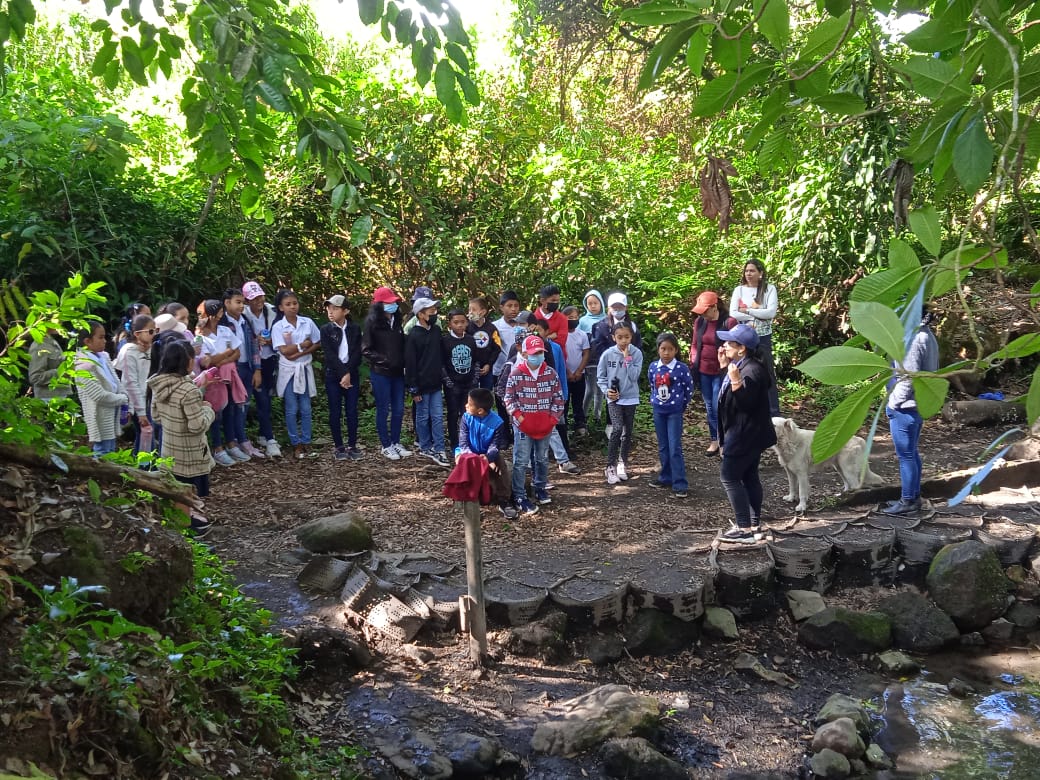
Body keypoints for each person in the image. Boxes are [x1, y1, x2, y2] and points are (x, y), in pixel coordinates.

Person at [715, 323, 777, 543]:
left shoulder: (750, 371)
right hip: (749, 434)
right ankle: (754, 525)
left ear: (741, 348)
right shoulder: (743, 364)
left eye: (729, 343)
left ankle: (743, 530)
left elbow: (746, 403)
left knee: (729, 477)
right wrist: (727, 368)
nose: (723, 345)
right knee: (749, 476)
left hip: (744, 435)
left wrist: (734, 379)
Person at [148, 339, 217, 536]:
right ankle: (187, 528)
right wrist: (208, 410)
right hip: (190, 450)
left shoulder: (158, 383)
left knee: (177, 487)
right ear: (185, 361)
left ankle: (183, 521)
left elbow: (156, 417)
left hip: (170, 447)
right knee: (187, 487)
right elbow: (197, 425)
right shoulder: (188, 390)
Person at [883, 310, 940, 515]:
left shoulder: (914, 339)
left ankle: (908, 500)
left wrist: (893, 403)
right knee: (911, 453)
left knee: (906, 455)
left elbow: (908, 377)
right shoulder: (927, 334)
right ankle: (912, 497)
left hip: (905, 406)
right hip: (916, 405)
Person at [503, 335, 564, 515]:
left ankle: (540, 486)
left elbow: (558, 398)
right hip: (522, 426)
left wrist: (552, 419)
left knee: (542, 458)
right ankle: (520, 495)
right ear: (525, 353)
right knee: (521, 460)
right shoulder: (516, 373)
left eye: (540, 352)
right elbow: (509, 398)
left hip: (544, 425)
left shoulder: (550, 373)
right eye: (534, 352)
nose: (537, 355)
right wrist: (520, 418)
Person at [196, 299, 248, 466]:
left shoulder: (225, 330)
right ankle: (218, 448)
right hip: (213, 380)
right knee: (215, 412)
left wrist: (220, 359)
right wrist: (226, 353)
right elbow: (204, 361)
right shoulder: (199, 335)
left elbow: (237, 352)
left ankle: (231, 443)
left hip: (229, 377)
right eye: (218, 312)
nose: (221, 315)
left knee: (230, 409)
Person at [270, 289, 321, 459]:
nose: (292, 307)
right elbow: (284, 351)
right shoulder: (278, 326)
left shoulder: (307, 322)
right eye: (288, 304)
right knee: (292, 408)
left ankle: (306, 441)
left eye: (294, 303)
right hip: (288, 371)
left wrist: (298, 353)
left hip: (303, 368)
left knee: (306, 407)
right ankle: (295, 442)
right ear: (281, 307)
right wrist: (302, 346)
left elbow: (316, 342)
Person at [363, 286, 411, 461]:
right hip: (381, 373)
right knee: (383, 409)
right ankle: (386, 445)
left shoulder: (397, 322)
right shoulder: (372, 323)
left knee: (399, 409)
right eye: (388, 303)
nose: (392, 306)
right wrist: (385, 360)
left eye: (394, 303)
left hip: (398, 373)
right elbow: (366, 349)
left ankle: (396, 441)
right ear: (379, 305)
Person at [455, 387, 516, 519]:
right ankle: (468, 501)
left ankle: (504, 500)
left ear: (480, 410)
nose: (466, 406)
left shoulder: (497, 422)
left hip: (487, 453)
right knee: (464, 463)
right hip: (468, 452)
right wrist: (473, 457)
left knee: (500, 466)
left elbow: (495, 446)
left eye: (469, 404)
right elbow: (463, 442)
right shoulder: (466, 418)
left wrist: (488, 457)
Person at [690, 290, 738, 456]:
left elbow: (735, 346)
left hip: (721, 371)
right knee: (709, 407)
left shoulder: (729, 322)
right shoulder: (699, 322)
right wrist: (693, 363)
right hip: (703, 370)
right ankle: (714, 439)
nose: (703, 314)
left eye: (705, 311)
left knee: (720, 406)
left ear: (714, 306)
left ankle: (725, 441)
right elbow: (695, 345)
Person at [730, 258, 780, 416]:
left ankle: (773, 412)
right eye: (746, 271)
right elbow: (733, 312)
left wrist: (747, 311)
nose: (749, 274)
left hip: (763, 337)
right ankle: (746, 408)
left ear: (760, 273)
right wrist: (759, 312)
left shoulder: (769, 289)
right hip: (743, 338)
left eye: (752, 271)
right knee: (744, 371)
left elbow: (771, 313)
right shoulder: (739, 290)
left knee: (767, 372)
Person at [221, 287, 266, 459]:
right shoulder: (223, 323)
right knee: (230, 406)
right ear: (227, 303)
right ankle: (231, 441)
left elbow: (254, 344)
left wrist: (257, 369)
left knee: (243, 404)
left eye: (242, 302)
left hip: (247, 367)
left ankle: (242, 439)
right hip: (231, 369)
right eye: (237, 302)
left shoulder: (245, 320)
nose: (241, 306)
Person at [648, 332, 695, 498]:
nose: (666, 353)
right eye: (663, 349)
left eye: (670, 349)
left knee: (675, 446)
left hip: (674, 412)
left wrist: (681, 404)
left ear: (675, 350)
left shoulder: (681, 368)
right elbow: (651, 384)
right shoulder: (654, 367)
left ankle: (680, 482)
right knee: (663, 446)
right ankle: (665, 476)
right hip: (658, 410)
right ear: (658, 349)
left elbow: (689, 388)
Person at [405, 297, 450, 467]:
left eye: (434, 310)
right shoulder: (413, 336)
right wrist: (414, 388)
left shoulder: (436, 331)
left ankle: (439, 448)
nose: (434, 313)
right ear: (421, 314)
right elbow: (410, 363)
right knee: (423, 416)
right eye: (431, 311)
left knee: (438, 416)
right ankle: (425, 446)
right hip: (421, 385)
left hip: (436, 383)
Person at [530, 316, 578, 474]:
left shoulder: (554, 348)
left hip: (551, 394)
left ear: (547, 332)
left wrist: (563, 393)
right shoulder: (526, 351)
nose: (536, 333)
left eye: (539, 330)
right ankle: (535, 463)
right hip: (530, 399)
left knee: (557, 426)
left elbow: (560, 372)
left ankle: (563, 458)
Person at [597, 321, 643, 485]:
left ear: (632, 337)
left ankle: (623, 463)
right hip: (614, 399)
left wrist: (627, 358)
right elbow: (601, 377)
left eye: (627, 337)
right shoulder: (607, 354)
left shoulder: (636, 353)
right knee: (616, 429)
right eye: (620, 337)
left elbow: (634, 376)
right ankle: (610, 466)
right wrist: (606, 391)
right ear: (613, 337)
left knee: (627, 432)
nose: (623, 341)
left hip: (630, 398)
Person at [320, 294, 363, 461]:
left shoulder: (354, 328)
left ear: (345, 311)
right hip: (333, 375)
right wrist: (343, 373)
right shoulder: (326, 330)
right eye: (329, 308)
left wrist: (348, 372)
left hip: (351, 374)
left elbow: (357, 353)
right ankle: (339, 446)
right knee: (335, 411)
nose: (331, 312)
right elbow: (329, 354)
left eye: (335, 308)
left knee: (352, 410)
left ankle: (352, 444)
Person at [240, 281, 282, 457]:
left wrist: (271, 340)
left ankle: (264, 434)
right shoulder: (243, 314)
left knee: (267, 398)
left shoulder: (271, 311)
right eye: (254, 298)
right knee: (260, 397)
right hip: (251, 362)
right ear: (246, 300)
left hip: (270, 358)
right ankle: (269, 439)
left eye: (260, 296)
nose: (258, 300)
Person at [74, 323, 129, 457]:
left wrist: (123, 394)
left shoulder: (103, 356)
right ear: (87, 341)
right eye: (101, 337)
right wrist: (123, 399)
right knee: (102, 450)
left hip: (112, 410)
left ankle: (109, 475)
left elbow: (116, 380)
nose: (105, 341)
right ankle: (100, 476)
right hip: (99, 413)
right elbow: (98, 395)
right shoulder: (82, 365)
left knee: (110, 447)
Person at [118, 313, 157, 457]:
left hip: (146, 398)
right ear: (137, 334)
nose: (154, 335)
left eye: (156, 331)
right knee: (147, 432)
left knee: (145, 434)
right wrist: (140, 412)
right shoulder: (129, 352)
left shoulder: (150, 349)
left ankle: (140, 464)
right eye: (151, 331)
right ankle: (145, 467)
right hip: (134, 402)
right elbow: (131, 383)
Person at [442, 308, 478, 454]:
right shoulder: (445, 341)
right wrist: (447, 381)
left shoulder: (470, 339)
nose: (460, 325)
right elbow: (442, 363)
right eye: (456, 322)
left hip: (468, 383)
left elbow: (476, 360)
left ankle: (467, 442)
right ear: (449, 324)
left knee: (468, 413)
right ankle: (454, 443)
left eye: (463, 322)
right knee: (453, 413)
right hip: (452, 383)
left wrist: (475, 379)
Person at [579, 289, 607, 428]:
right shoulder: (583, 321)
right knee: (589, 389)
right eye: (590, 303)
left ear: (601, 303)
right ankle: (582, 415)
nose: (593, 306)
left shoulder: (607, 319)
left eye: (595, 303)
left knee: (600, 389)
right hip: (589, 361)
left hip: (603, 360)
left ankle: (597, 415)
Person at [562, 305, 590, 436]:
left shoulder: (582, 335)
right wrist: (567, 372)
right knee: (565, 401)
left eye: (575, 317)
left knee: (578, 401)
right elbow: (560, 354)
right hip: (565, 375)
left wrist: (579, 371)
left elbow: (586, 353)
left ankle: (580, 424)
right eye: (570, 317)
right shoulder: (561, 335)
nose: (573, 319)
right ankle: (564, 426)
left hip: (580, 375)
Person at [592, 291, 643, 360]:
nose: (617, 309)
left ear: (626, 307)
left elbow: (638, 347)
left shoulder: (632, 326)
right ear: (609, 308)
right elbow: (598, 350)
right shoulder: (601, 327)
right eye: (614, 307)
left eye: (620, 306)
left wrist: (628, 358)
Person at [466, 296, 502, 392]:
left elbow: (497, 347)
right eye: (469, 309)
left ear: (483, 312)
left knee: (485, 394)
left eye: (473, 310)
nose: (470, 312)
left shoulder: (491, 328)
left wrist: (489, 364)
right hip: (471, 368)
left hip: (486, 369)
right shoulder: (467, 328)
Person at [28, 329, 71, 402]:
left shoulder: (51, 342)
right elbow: (35, 377)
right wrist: (62, 372)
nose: (61, 323)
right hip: (47, 400)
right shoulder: (39, 345)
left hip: (60, 398)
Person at [534, 284, 568, 363]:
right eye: (553, 300)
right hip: (537, 360)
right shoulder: (534, 317)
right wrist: (552, 336)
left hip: (558, 359)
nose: (556, 303)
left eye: (557, 300)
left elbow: (561, 341)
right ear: (542, 301)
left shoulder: (562, 318)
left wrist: (544, 337)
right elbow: (533, 340)